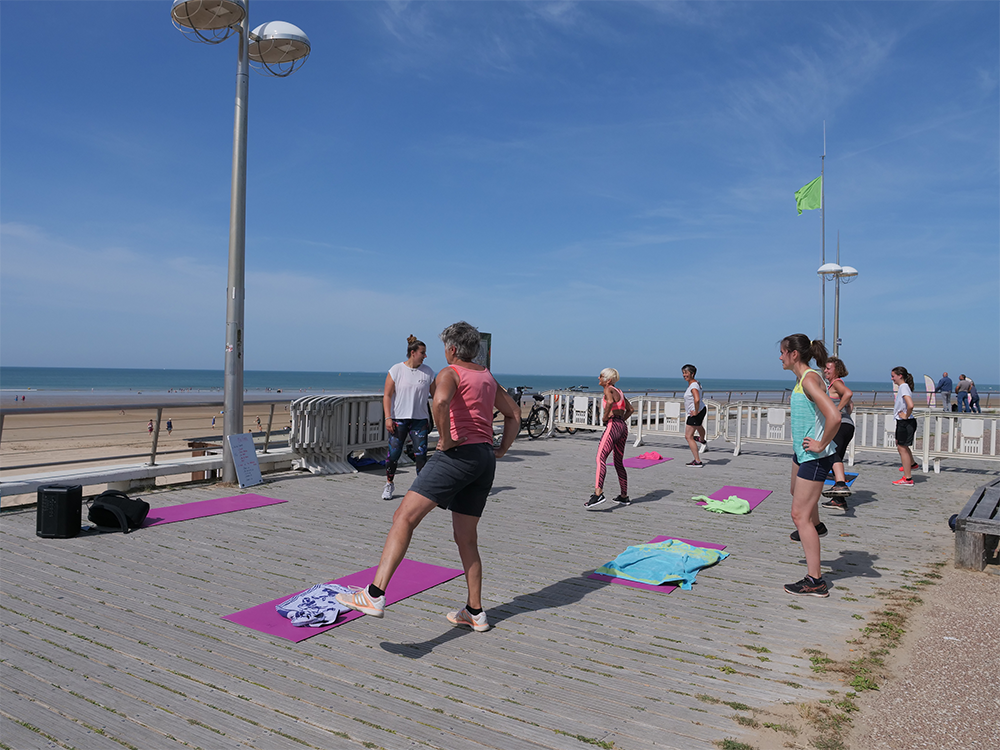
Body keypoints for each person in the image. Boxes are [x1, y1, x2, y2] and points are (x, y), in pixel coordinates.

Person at [335, 321, 520, 632]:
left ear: (451, 349)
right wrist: (500, 448)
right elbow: (514, 414)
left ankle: (375, 594)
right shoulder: (487, 376)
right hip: (484, 459)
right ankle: (475, 611)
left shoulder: (450, 373)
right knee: (466, 538)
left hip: (457, 455)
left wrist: (445, 439)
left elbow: (440, 401)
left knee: (403, 517)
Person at [779, 334, 840, 598]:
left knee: (798, 515)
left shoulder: (810, 379)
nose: (779, 357)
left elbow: (834, 416)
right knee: (797, 495)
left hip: (814, 456)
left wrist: (820, 444)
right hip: (802, 455)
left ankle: (815, 580)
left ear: (793, 354)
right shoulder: (802, 379)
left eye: (782, 352)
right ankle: (817, 526)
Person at [381, 335, 437, 501]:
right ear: (413, 353)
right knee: (394, 455)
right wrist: (388, 417)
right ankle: (389, 484)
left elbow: (436, 396)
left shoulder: (428, 372)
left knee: (421, 455)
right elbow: (387, 395)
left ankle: (421, 488)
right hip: (399, 419)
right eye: (422, 352)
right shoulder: (396, 370)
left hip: (420, 420)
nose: (425, 356)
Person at [584, 368, 634, 508]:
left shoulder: (608, 389)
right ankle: (624, 496)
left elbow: (610, 402)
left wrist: (605, 417)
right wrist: (621, 421)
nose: (598, 378)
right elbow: (630, 410)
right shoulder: (620, 392)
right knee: (618, 462)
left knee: (600, 458)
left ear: (608, 380)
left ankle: (598, 493)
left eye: (601, 376)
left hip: (613, 425)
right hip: (622, 427)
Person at [820, 356, 855, 509]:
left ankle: (840, 484)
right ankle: (839, 500)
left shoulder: (836, 383)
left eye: (829, 368)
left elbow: (848, 394)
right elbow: (851, 406)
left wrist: (836, 411)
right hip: (847, 425)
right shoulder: (835, 384)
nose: (825, 370)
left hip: (841, 426)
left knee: (832, 455)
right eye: (825, 368)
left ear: (837, 370)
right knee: (836, 459)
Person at [891, 367, 917, 487]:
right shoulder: (903, 387)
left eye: (893, 376)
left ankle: (907, 478)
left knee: (902, 448)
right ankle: (911, 464)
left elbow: (910, 404)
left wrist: (906, 415)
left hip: (905, 422)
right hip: (903, 422)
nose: (892, 379)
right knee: (901, 446)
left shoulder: (903, 387)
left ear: (900, 375)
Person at [682, 364, 708, 466]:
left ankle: (697, 461)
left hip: (696, 413)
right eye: (683, 373)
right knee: (698, 426)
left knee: (688, 436)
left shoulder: (693, 386)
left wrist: (696, 411)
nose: (684, 375)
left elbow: (696, 399)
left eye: (686, 373)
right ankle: (702, 439)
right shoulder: (695, 383)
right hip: (701, 410)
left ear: (692, 374)